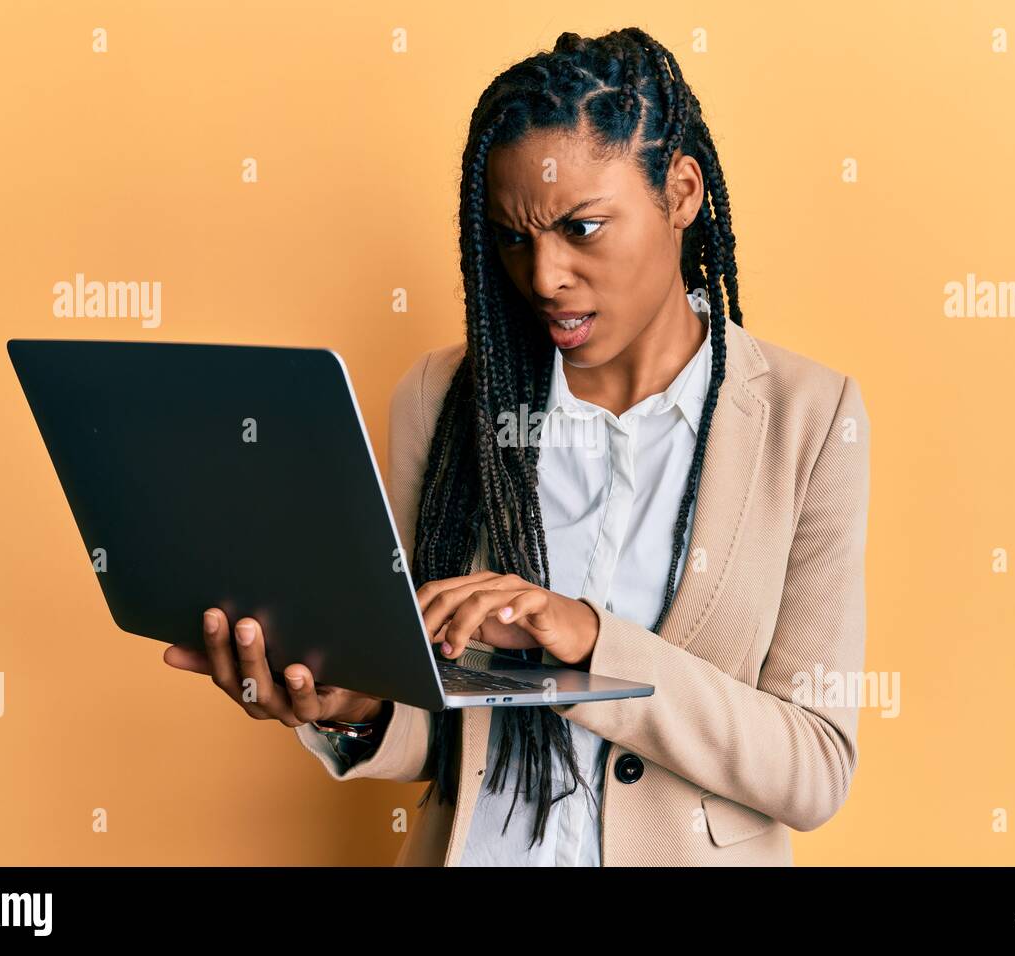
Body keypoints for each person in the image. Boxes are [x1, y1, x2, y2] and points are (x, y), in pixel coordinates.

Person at [164, 27, 871, 866]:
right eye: (512, 236)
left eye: (583, 227)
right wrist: (355, 707)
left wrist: (589, 638)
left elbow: (815, 768)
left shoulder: (810, 418)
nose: (543, 276)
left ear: (681, 192)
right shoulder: (444, 399)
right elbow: (437, 723)